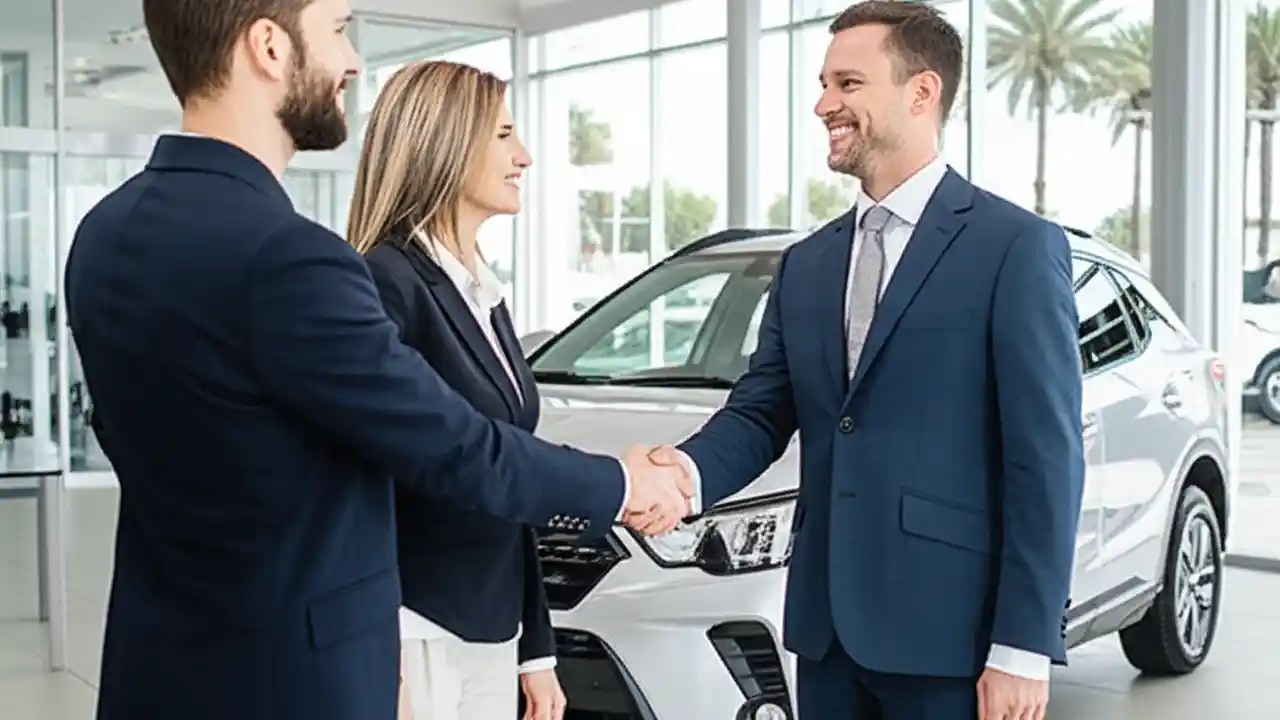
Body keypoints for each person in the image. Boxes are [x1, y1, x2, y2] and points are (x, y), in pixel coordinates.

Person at [64, 2, 690, 719]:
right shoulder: (290, 258)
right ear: (270, 47)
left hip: (161, 666)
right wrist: (621, 481)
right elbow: (452, 448)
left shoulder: (103, 235)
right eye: (336, 29)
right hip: (293, 681)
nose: (353, 61)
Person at [646, 2, 1084, 719]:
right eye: (823, 84)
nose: (823, 104)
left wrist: (1022, 646)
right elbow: (761, 412)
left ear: (922, 93)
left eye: (848, 83)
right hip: (827, 633)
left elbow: (1046, 460)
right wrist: (684, 477)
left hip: (953, 639)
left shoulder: (1015, 247)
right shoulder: (808, 264)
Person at [346, 61, 564, 720]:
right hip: (415, 634)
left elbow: (507, 469)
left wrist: (536, 649)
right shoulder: (384, 282)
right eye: (502, 135)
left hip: (488, 630)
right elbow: (363, 484)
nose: (523, 156)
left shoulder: (482, 292)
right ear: (444, 144)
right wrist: (383, 653)